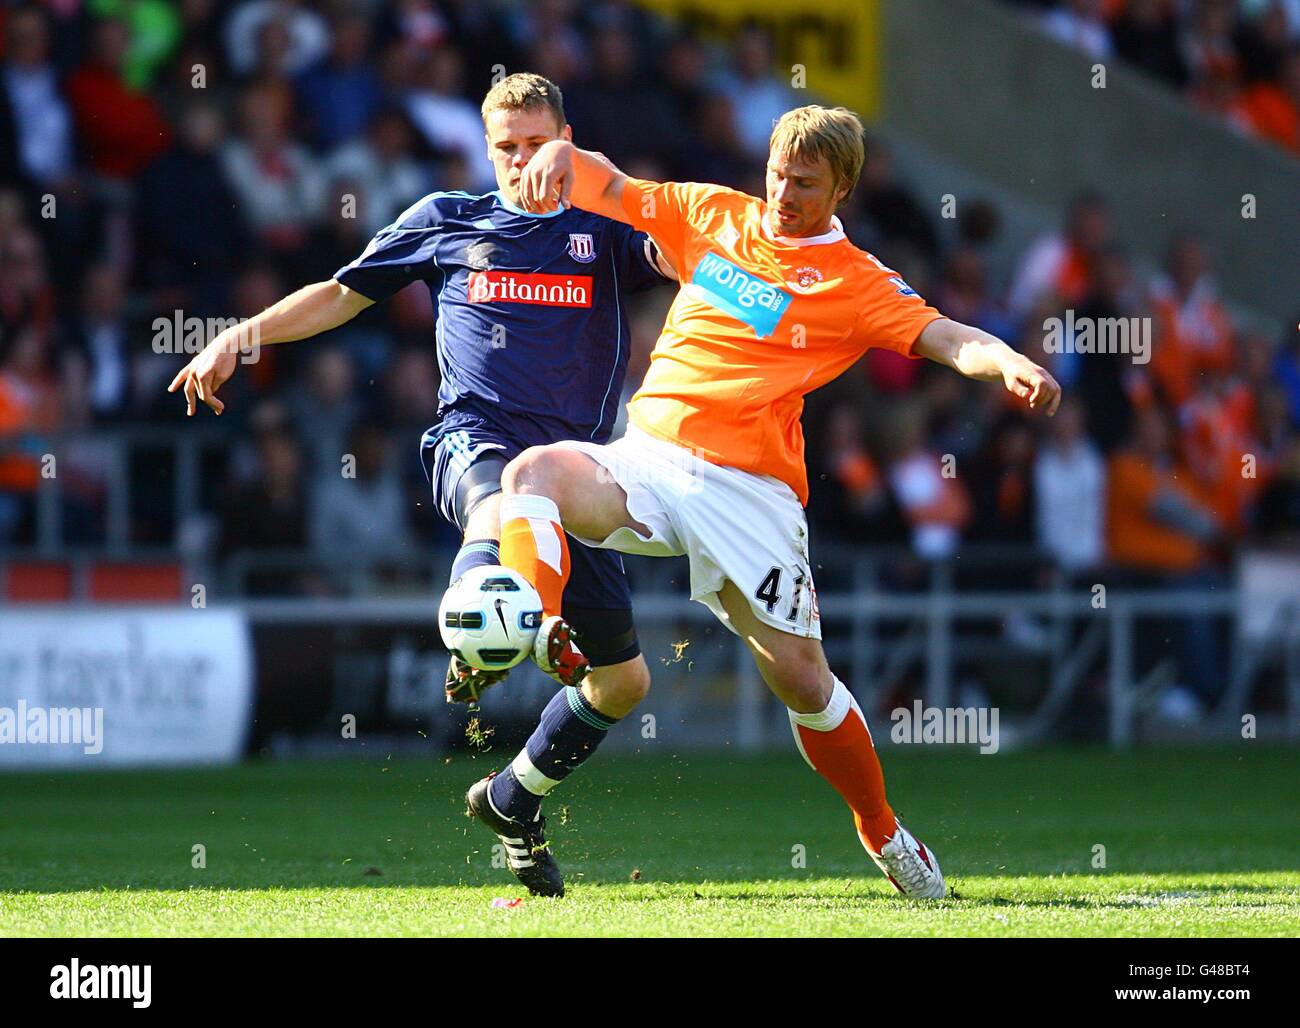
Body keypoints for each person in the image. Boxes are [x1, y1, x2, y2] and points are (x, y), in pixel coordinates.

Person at [470, 104, 1061, 900]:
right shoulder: (714, 212)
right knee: (530, 475)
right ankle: (537, 625)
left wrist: (1006, 361)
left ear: (841, 187)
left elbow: (948, 335)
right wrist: (559, 163)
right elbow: (612, 183)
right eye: (779, 173)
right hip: (648, 456)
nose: (784, 192)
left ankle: (882, 829)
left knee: (802, 682)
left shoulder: (856, 282)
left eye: (806, 184)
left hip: (751, 493)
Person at [167, 74, 675, 896]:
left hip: (578, 480)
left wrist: (607, 178)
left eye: (536, 143)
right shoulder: (447, 220)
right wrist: (242, 339)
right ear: (485, 149)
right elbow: (340, 293)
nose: (520, 162)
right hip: (473, 444)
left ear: (566, 138)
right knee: (502, 500)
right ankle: (493, 624)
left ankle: (514, 796)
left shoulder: (606, 232)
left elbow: (693, 245)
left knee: (623, 683)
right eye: (504, 147)